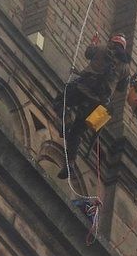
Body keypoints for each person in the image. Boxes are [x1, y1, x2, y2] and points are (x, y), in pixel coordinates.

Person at [56, 34, 131, 179]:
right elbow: (122, 88)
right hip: (101, 104)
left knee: (60, 101)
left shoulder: (101, 48)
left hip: (84, 88)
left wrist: (93, 43)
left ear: (112, 41)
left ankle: (66, 122)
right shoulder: (125, 67)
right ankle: (70, 163)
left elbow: (87, 53)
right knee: (77, 132)